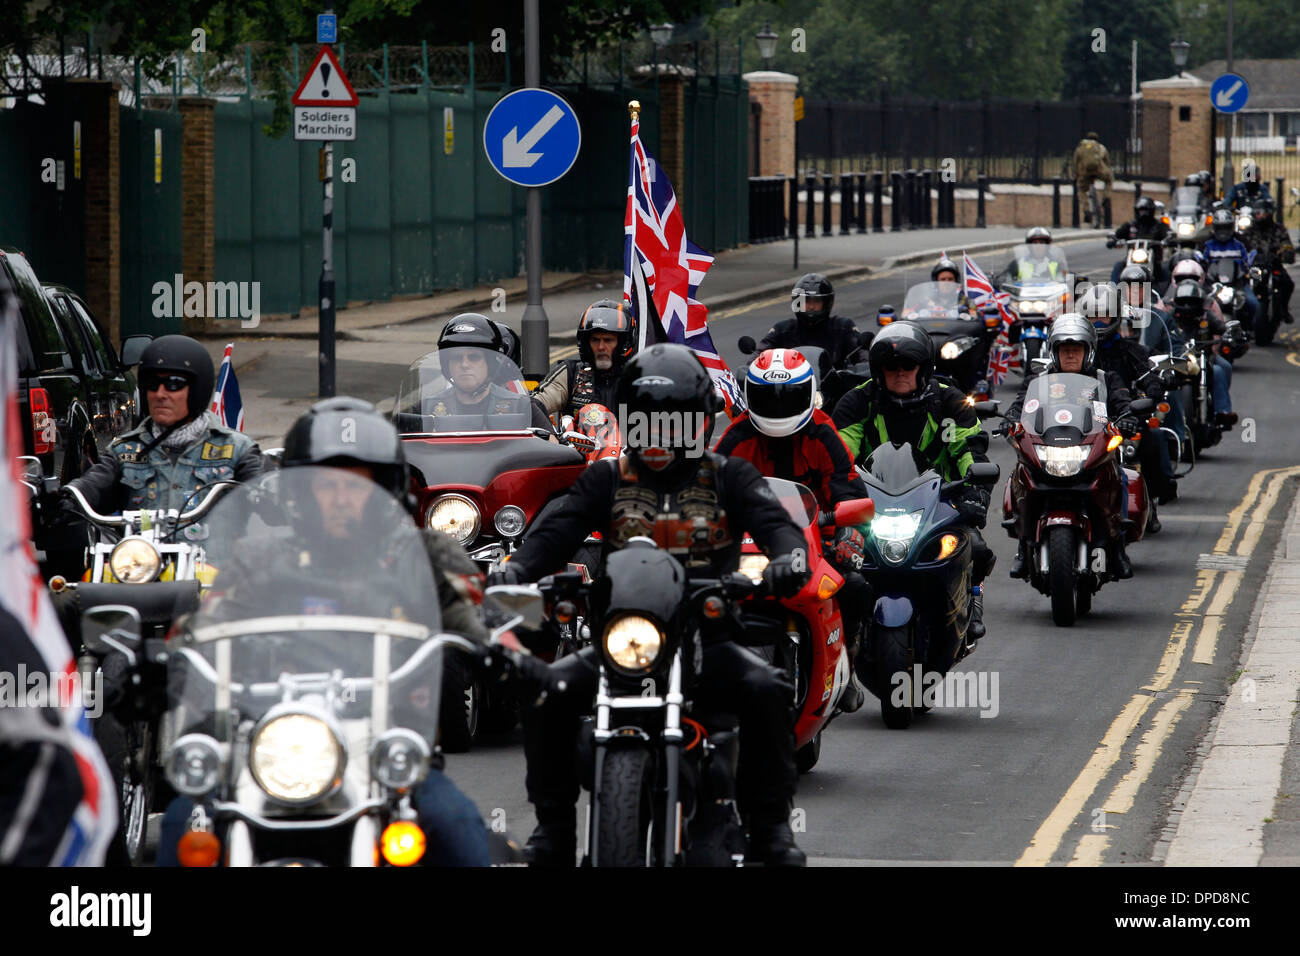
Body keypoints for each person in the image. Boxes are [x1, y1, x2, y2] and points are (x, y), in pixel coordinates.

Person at [490, 344, 812, 868]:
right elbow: (556, 532)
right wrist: (516, 570)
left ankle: (772, 827)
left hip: (708, 638)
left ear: (698, 423)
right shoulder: (607, 478)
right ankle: (553, 831)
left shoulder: (729, 477)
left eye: (675, 420)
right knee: (548, 689)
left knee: (767, 687)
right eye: (649, 420)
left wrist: (789, 557)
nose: (661, 432)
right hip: (625, 639)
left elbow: (778, 527)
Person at [156, 398, 495, 866]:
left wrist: (502, 650)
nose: (340, 498)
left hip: (385, 750)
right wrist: (167, 660)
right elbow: (201, 631)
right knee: (183, 824)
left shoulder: (423, 555)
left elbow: (475, 623)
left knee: (455, 824)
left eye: (357, 485)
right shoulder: (261, 558)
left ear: (387, 489)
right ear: (299, 492)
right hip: (268, 746)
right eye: (326, 485)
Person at [714, 347, 873, 714]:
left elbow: (847, 486)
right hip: (748, 543)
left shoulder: (822, 432)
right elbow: (710, 489)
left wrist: (849, 534)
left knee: (857, 586)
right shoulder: (736, 437)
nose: (779, 405)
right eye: (768, 396)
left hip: (815, 540)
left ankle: (845, 667)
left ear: (807, 393)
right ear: (750, 394)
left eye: (788, 396)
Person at [831, 322, 995, 643]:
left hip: (940, 502)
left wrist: (976, 493)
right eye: (891, 366)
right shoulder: (856, 402)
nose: (900, 372)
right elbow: (839, 458)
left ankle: (972, 599)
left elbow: (970, 451)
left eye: (909, 365)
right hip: (869, 507)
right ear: (879, 370)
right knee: (834, 556)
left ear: (923, 368)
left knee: (976, 547)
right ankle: (839, 632)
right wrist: (835, 498)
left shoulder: (950, 401)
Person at [60, 335, 261, 517]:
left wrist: (272, 497)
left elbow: (264, 490)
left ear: (197, 390)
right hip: (141, 556)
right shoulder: (124, 451)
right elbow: (94, 484)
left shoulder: (237, 449)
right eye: (153, 384)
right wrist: (65, 498)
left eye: (174, 383)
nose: (160, 394)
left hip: (213, 557)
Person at [1006, 315, 1140, 580]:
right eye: (1064, 350)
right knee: (1019, 473)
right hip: (1049, 447)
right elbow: (1020, 406)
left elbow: (1123, 403)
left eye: (1075, 350)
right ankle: (1023, 547)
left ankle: (1117, 548)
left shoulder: (1105, 379)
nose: (1070, 355)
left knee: (1120, 475)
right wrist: (1009, 421)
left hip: (1090, 448)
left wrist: (1129, 417)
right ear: (1054, 352)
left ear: (1088, 351)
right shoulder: (1039, 380)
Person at [1077, 284, 1178, 515]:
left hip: (1126, 415)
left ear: (1116, 316)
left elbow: (1148, 377)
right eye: (1093, 316)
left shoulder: (1130, 350)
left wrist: (1157, 386)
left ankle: (1151, 497)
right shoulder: (1074, 351)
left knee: (1153, 438)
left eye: (1104, 315)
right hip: (1082, 420)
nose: (1099, 321)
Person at [428, 314, 554, 431]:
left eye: (474, 357)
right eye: (456, 358)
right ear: (446, 365)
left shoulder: (521, 406)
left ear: (490, 364)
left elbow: (553, 449)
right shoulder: (427, 408)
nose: (464, 364)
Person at [533, 299, 635, 422]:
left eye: (608, 340)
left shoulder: (638, 376)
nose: (601, 347)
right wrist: (550, 435)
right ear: (586, 344)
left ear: (623, 343)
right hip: (576, 441)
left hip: (629, 441)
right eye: (595, 340)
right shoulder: (570, 372)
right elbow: (535, 404)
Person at [1167, 280, 1238, 429]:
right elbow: (1163, 331)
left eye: (1191, 301)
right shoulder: (1171, 317)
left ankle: (1222, 411)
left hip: (1205, 355)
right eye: (1184, 302)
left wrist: (1228, 334)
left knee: (1223, 368)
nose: (1187, 306)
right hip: (1178, 357)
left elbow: (1221, 328)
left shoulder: (1206, 316)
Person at [757, 273, 865, 370]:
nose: (811, 306)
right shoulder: (783, 330)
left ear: (826, 303)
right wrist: (750, 367)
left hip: (834, 389)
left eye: (817, 302)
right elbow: (760, 354)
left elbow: (862, 354)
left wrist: (864, 368)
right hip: (792, 389)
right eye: (807, 301)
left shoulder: (843, 327)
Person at [1200, 208, 1261, 330]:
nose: (1223, 232)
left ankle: (1248, 328)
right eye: (1220, 228)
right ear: (1215, 227)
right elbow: (1199, 260)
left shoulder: (1241, 242)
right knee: (1199, 304)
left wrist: (1253, 268)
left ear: (1232, 227)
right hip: (1213, 285)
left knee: (1254, 304)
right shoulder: (1206, 243)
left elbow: (1251, 257)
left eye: (1226, 227)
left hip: (1238, 284)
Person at [1246, 197, 1296, 324]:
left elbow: (1287, 245)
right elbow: (1242, 245)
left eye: (1261, 212)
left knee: (1288, 284)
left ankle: (1284, 309)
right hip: (1254, 267)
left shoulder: (1278, 229)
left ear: (1269, 212)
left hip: (1273, 266)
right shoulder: (1250, 230)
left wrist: (1286, 253)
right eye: (1256, 212)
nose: (1259, 215)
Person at [1107, 196, 1171, 283]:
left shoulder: (1159, 226)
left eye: (1146, 210)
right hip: (1132, 259)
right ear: (1137, 211)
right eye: (1141, 210)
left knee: (1165, 269)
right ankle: (1113, 290)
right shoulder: (1130, 225)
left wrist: (1170, 240)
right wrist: (1114, 241)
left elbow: (1169, 234)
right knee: (1118, 266)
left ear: (1151, 211)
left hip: (1154, 260)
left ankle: (1165, 294)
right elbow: (1117, 235)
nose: (1143, 213)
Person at [1073, 131, 1113, 223]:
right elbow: (1107, 162)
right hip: (1099, 171)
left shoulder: (1081, 148)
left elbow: (1076, 162)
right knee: (1109, 180)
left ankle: (1086, 210)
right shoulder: (1101, 147)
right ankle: (1106, 197)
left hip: (1085, 173)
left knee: (1082, 190)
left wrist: (1077, 174)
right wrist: (1106, 171)